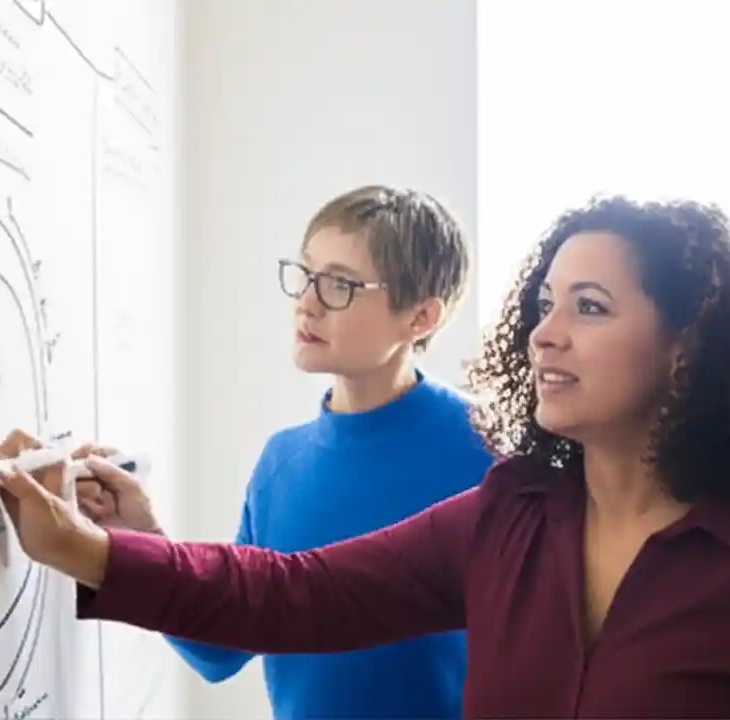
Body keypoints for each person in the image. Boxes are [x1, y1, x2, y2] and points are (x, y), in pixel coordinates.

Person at [0, 196, 730, 718]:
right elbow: (290, 594)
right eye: (544, 302)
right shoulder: (510, 512)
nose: (546, 334)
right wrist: (86, 547)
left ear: (689, 344)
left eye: (591, 308)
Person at [76, 185, 495, 719]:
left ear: (421, 318)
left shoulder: (489, 451)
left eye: (339, 284)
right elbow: (219, 650)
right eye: (306, 274)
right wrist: (140, 536)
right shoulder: (281, 463)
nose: (307, 302)